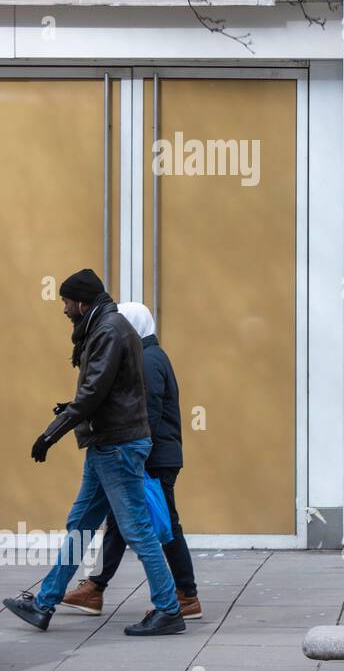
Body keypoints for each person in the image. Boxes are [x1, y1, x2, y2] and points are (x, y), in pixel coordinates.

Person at [2, 269, 184, 636]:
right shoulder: (110, 327)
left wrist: (50, 434)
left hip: (116, 446)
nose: (65, 309)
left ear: (81, 303)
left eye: (67, 303)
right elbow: (109, 391)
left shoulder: (108, 331)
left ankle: (169, 608)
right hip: (107, 444)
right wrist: (70, 411)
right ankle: (44, 603)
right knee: (81, 525)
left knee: (137, 529)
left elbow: (94, 393)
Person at [59, 303, 200, 619]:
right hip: (153, 454)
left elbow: (145, 413)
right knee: (125, 523)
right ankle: (96, 589)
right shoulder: (148, 355)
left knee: (163, 523)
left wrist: (133, 452)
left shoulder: (147, 360)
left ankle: (186, 595)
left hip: (150, 457)